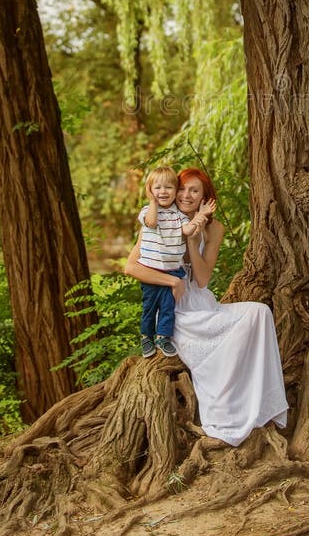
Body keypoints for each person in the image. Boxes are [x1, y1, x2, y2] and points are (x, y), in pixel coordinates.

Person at [124, 167, 289, 446]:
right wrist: (172, 282)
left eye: (195, 190)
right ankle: (224, 412)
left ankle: (260, 403)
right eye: (183, 189)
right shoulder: (158, 221)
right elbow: (131, 267)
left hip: (202, 303)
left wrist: (192, 237)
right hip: (175, 309)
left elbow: (201, 280)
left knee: (259, 312)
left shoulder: (214, 228)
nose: (186, 195)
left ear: (205, 197)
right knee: (215, 347)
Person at [137, 165, 212, 358]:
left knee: (167, 308)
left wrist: (200, 217)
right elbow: (152, 222)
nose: (163, 192)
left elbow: (186, 231)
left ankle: (163, 337)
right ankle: (146, 336)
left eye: (169, 187)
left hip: (172, 270)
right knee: (150, 307)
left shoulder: (178, 216)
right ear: (150, 190)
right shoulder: (147, 211)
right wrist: (152, 201)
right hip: (154, 272)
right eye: (158, 188)